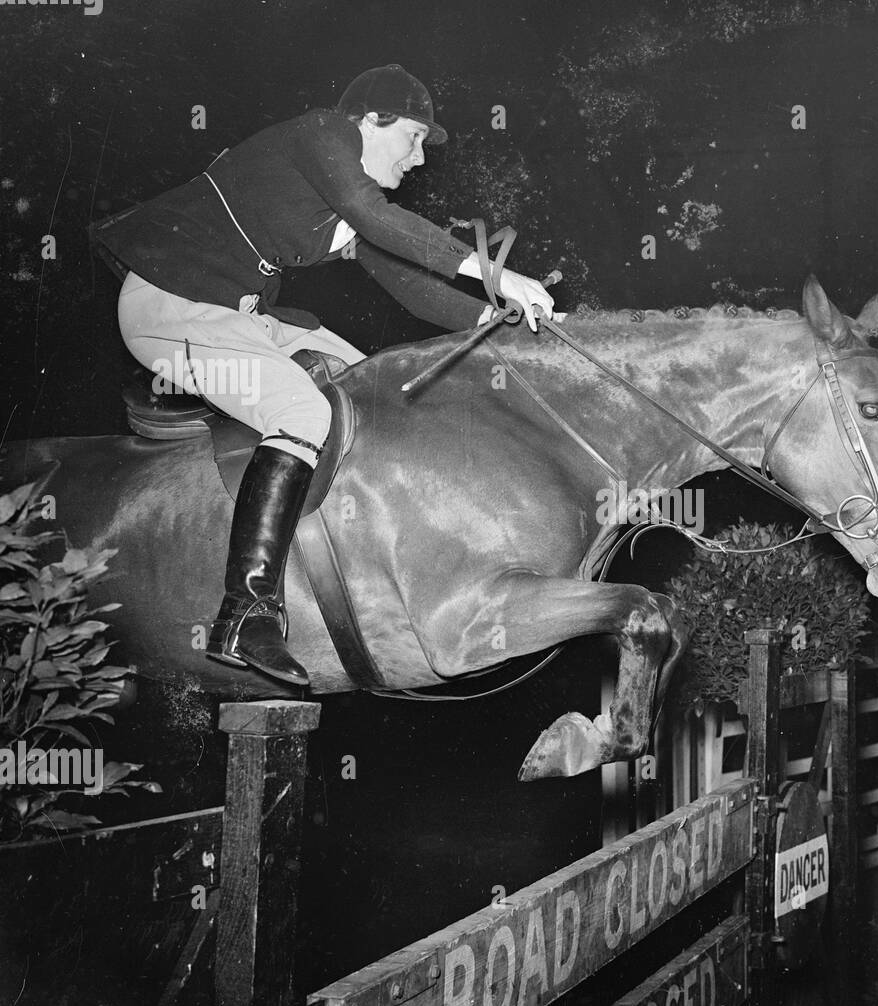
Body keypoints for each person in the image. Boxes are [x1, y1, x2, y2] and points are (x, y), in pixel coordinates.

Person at [93, 64, 555, 686]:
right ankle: (246, 616)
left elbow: (409, 285)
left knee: (371, 386)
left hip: (238, 316)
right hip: (169, 305)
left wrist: (497, 319)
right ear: (369, 121)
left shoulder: (339, 202)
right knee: (303, 413)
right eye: (413, 137)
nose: (418, 159)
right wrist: (498, 275)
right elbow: (380, 220)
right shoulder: (322, 136)